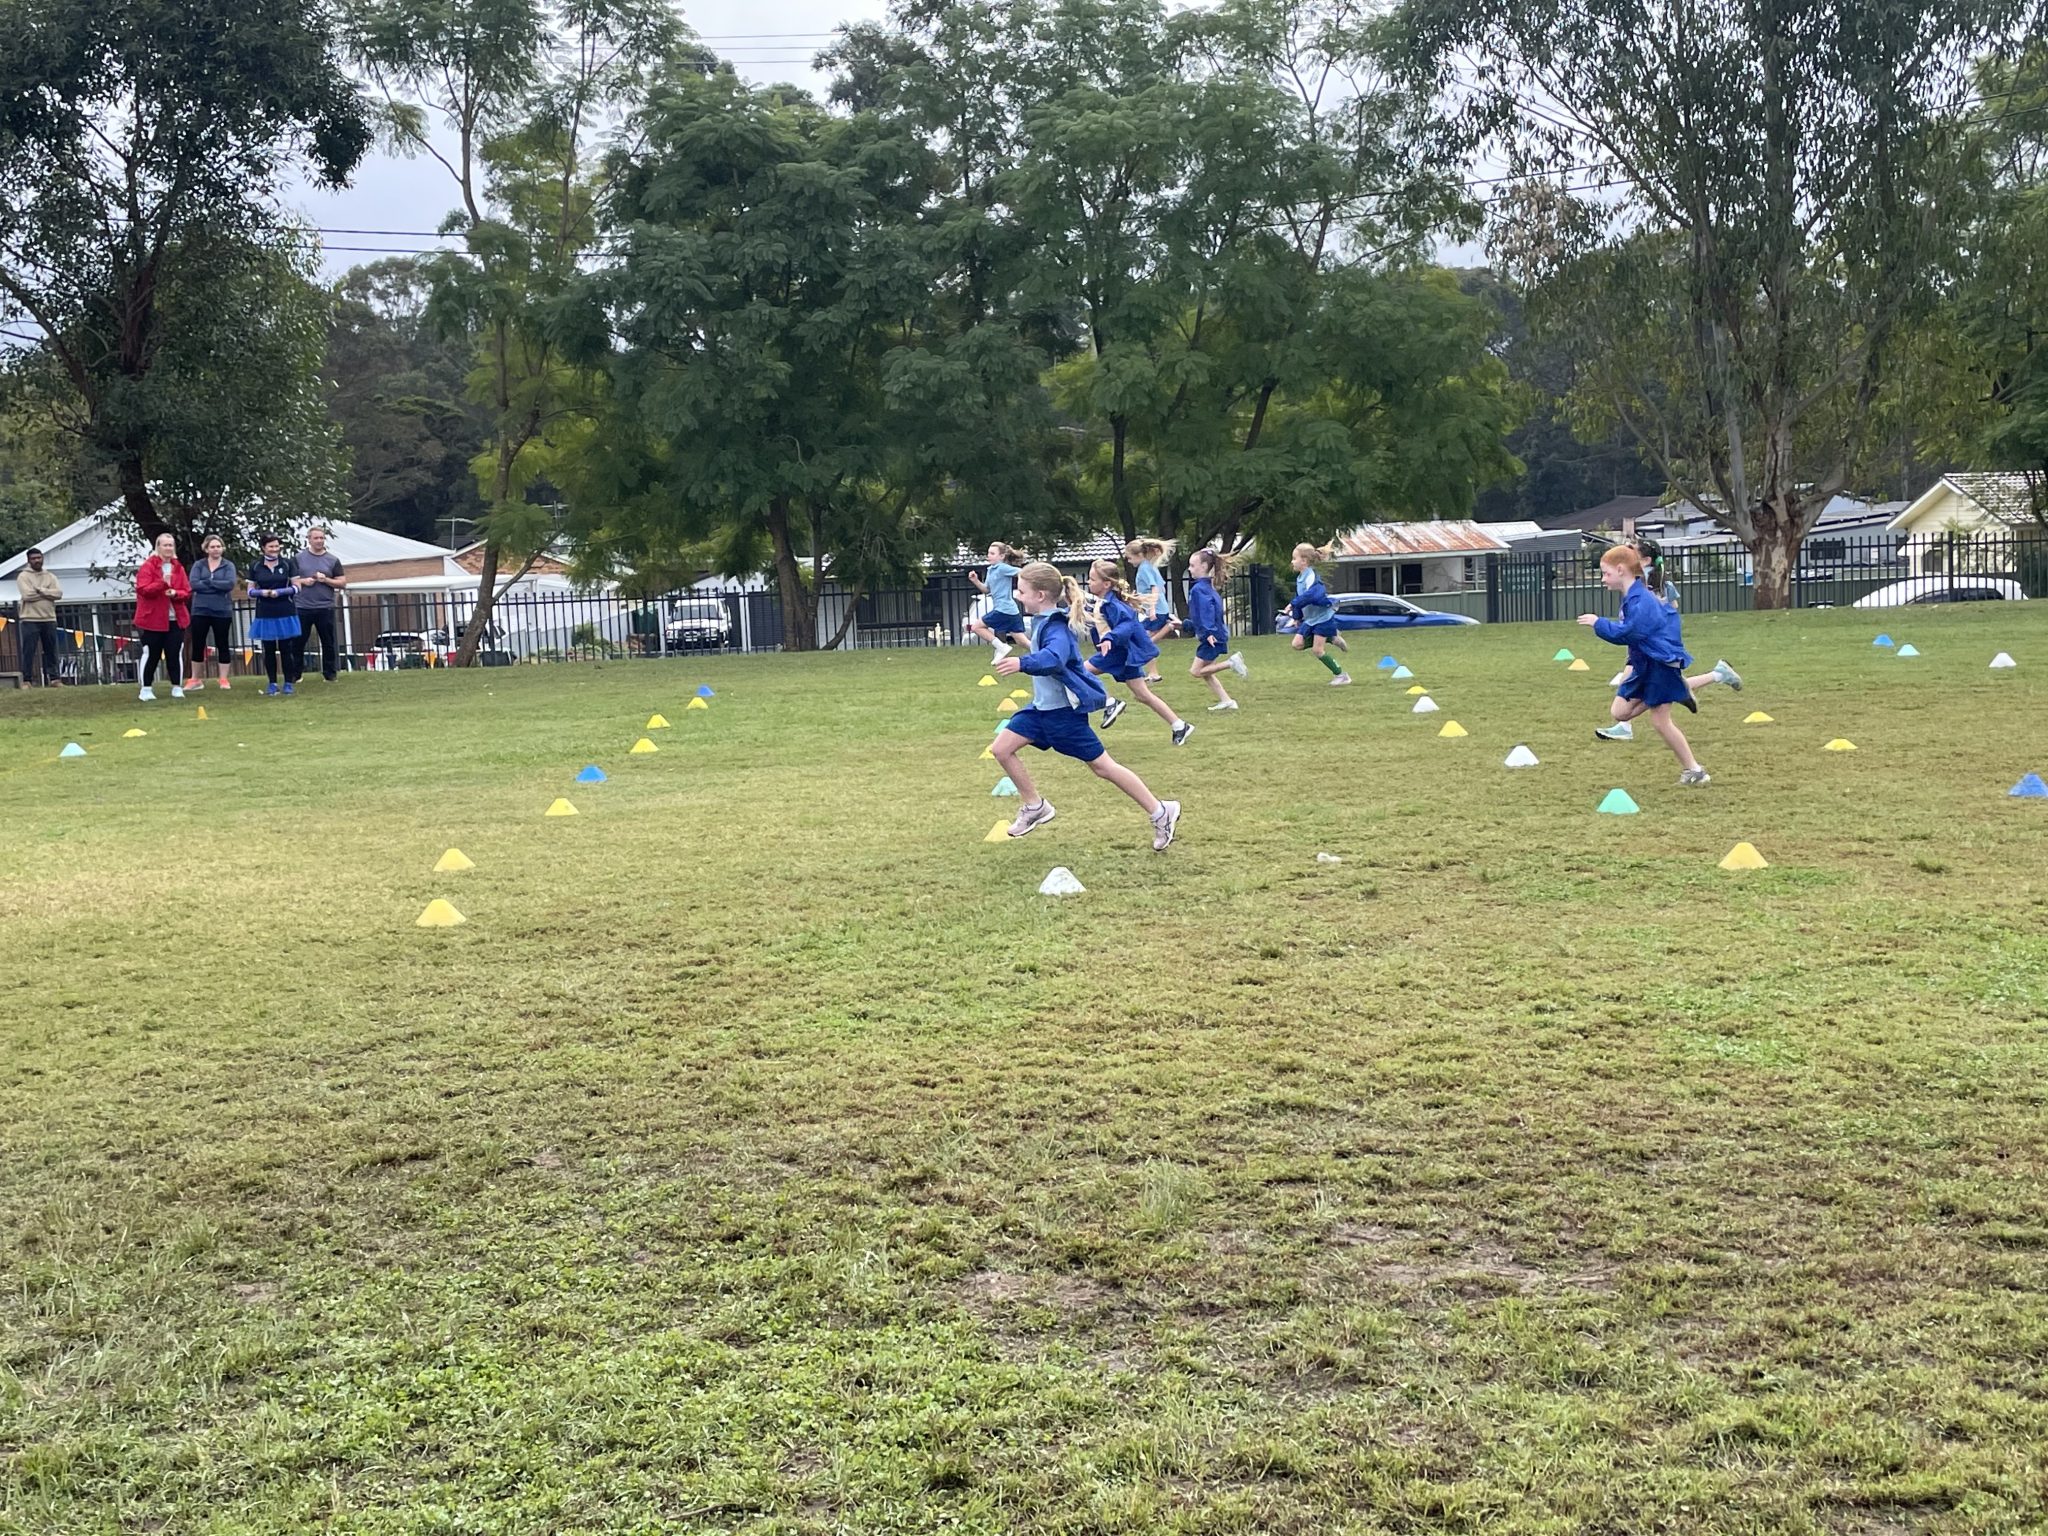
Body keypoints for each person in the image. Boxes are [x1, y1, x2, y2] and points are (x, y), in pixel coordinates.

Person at [993, 561, 1182, 852]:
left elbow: (1053, 659)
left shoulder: (1056, 627)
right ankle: (1035, 806)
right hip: (1040, 710)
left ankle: (1160, 811)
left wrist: (1022, 662)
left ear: (1041, 595)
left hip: (1064, 716)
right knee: (1001, 749)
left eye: (1021, 591)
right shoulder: (1041, 621)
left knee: (1103, 767)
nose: (1018, 597)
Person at [1579, 544, 1710, 785]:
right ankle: (1678, 692)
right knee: (1619, 713)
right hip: (1646, 665)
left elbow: (1628, 634)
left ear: (1621, 570)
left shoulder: (1641, 600)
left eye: (1605, 573)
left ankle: (1695, 771)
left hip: (1659, 664)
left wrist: (1598, 623)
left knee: (1661, 722)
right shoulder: (1633, 596)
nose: (1602, 579)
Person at [1595, 548, 1741, 741]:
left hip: (1654, 651)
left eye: (1634, 553)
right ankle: (1625, 724)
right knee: (1635, 688)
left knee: (1653, 696)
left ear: (1645, 560)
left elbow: (1670, 617)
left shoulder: (1652, 586)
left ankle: (1714, 676)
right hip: (1641, 648)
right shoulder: (1633, 585)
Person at [1083, 558, 1193, 745]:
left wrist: (1110, 638)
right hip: (1123, 655)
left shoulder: (1114, 605)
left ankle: (1110, 702)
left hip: (1117, 653)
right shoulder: (1103, 602)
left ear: (1106, 584)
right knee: (1143, 695)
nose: (1088, 583)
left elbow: (1127, 625)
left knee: (1080, 671)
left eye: (1092, 580)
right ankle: (1179, 725)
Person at [1184, 547, 1246, 711]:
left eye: (1192, 565)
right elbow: (1202, 616)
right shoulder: (1206, 588)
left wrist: (1208, 633)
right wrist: (1184, 624)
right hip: (1215, 634)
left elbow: (1207, 613)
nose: (1189, 569)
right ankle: (1227, 701)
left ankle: (1231, 663)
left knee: (1196, 671)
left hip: (1212, 636)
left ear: (1204, 566)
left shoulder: (1199, 589)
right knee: (1207, 672)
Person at [133, 532, 190, 702]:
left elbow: (186, 592)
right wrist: (162, 583)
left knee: (175, 653)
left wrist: (175, 593)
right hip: (152, 620)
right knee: (151, 653)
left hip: (175, 619)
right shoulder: (148, 566)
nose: (168, 548)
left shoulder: (178, 567)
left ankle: (177, 687)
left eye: (171, 545)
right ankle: (146, 688)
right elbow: (143, 590)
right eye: (165, 545)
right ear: (158, 547)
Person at [289, 525, 347, 684]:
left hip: (325, 607)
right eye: (316, 538)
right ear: (309, 539)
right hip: (302, 606)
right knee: (298, 642)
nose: (319, 541)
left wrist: (326, 580)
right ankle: (296, 674)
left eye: (322, 538)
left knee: (328, 642)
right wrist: (303, 581)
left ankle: (330, 674)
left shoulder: (333, 560)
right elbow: (290, 581)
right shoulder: (298, 559)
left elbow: (342, 582)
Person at [1286, 543, 1350, 686]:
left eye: (1294, 558)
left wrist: (1293, 604)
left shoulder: (1312, 576)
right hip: (1310, 619)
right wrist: (1296, 616)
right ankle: (1331, 638)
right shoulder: (1300, 578)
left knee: (1317, 650)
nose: (1292, 562)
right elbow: (1299, 597)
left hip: (1322, 619)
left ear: (1304, 561)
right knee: (1297, 644)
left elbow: (1311, 595)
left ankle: (1341, 675)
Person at [246, 534, 302, 695]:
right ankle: (272, 683)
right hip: (265, 612)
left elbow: (297, 587)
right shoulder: (255, 565)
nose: (275, 549)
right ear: (263, 547)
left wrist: (281, 592)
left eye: (277, 546)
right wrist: (262, 592)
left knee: (286, 648)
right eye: (271, 546)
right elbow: (250, 591)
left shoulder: (288, 563)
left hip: (285, 610)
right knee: (268, 649)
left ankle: (288, 683)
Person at [183, 534, 238, 691]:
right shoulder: (199, 565)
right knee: (198, 643)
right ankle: (195, 679)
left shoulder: (228, 566)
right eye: (212, 547)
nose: (215, 549)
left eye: (218, 546)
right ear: (206, 549)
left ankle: (223, 679)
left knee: (222, 643)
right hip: (200, 609)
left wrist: (207, 582)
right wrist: (214, 585)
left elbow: (229, 584)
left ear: (222, 548)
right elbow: (194, 584)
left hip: (222, 610)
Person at [966, 542, 1029, 664]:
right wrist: (975, 580)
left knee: (976, 627)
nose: (989, 555)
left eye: (992, 553)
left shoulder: (1002, 568)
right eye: (988, 553)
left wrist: (1026, 586)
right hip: (1011, 611)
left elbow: (1022, 573)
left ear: (1001, 556)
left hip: (1003, 609)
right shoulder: (991, 570)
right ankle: (1043, 654)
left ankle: (1001, 647)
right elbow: (986, 590)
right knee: (1022, 641)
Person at [1125, 538, 1178, 679]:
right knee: (1145, 641)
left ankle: (1170, 627)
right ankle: (1153, 673)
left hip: (1155, 611)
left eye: (1130, 558)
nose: (1129, 561)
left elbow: (1155, 588)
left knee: (1143, 641)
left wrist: (1152, 608)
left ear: (1139, 555)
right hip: (1160, 609)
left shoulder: (1144, 569)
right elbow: (1160, 586)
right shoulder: (1150, 566)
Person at [14, 547, 63, 687]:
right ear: (29, 560)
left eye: (39, 558)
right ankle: (27, 681)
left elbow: (58, 594)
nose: (37, 561)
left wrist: (41, 590)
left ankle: (55, 679)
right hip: (30, 619)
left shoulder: (50, 576)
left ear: (42, 558)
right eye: (34, 558)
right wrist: (48, 594)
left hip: (49, 618)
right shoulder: (23, 576)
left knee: (51, 651)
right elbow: (27, 595)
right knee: (29, 651)